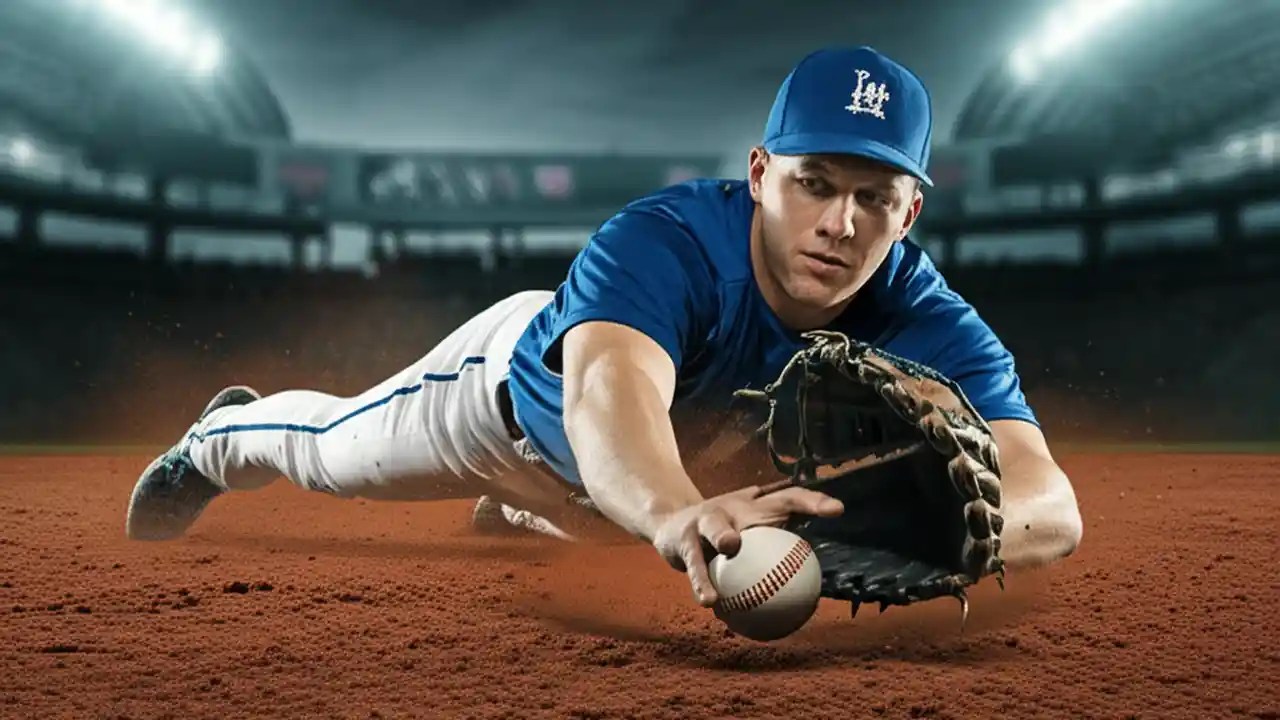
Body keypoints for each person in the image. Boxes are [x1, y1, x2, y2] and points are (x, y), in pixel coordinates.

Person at [126, 46, 1082, 608]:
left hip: (649, 500)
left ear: (910, 213)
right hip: (503, 412)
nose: (840, 222)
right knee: (330, 454)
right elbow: (606, 397)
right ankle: (217, 437)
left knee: (612, 521)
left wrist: (869, 539)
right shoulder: (667, 242)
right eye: (814, 184)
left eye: (875, 197)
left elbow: (1049, 502)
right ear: (760, 176)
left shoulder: (924, 314)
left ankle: (547, 519)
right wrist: (671, 512)